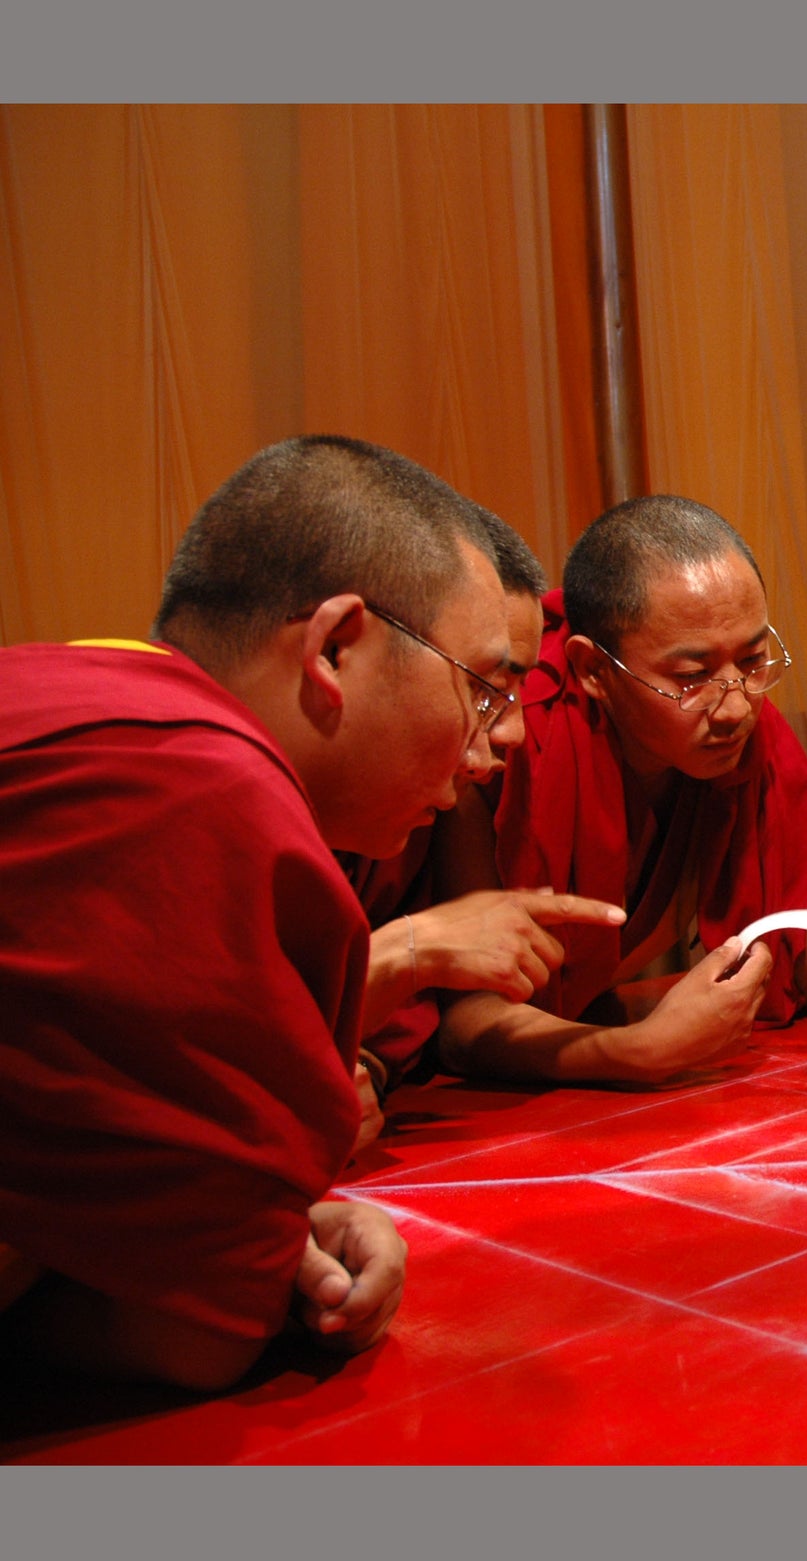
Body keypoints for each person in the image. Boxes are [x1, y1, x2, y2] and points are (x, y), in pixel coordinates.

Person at [0, 434, 512, 1389]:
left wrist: (265, 1217)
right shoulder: (205, 790)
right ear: (335, 647)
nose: (498, 740)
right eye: (481, 688)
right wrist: (241, 1255)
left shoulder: (74, 689)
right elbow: (189, 1335)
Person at [433, 494, 807, 1086]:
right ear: (592, 671)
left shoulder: (741, 731)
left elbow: (784, 983)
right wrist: (638, 1051)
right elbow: (465, 1020)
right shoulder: (509, 741)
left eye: (753, 657)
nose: (735, 706)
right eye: (691, 677)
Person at [337, 515, 625, 1144]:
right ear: (336, 651)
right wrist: (405, 950)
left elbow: (381, 1041)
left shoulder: (412, 803)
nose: (514, 733)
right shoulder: (170, 781)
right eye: (485, 689)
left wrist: (354, 1067)